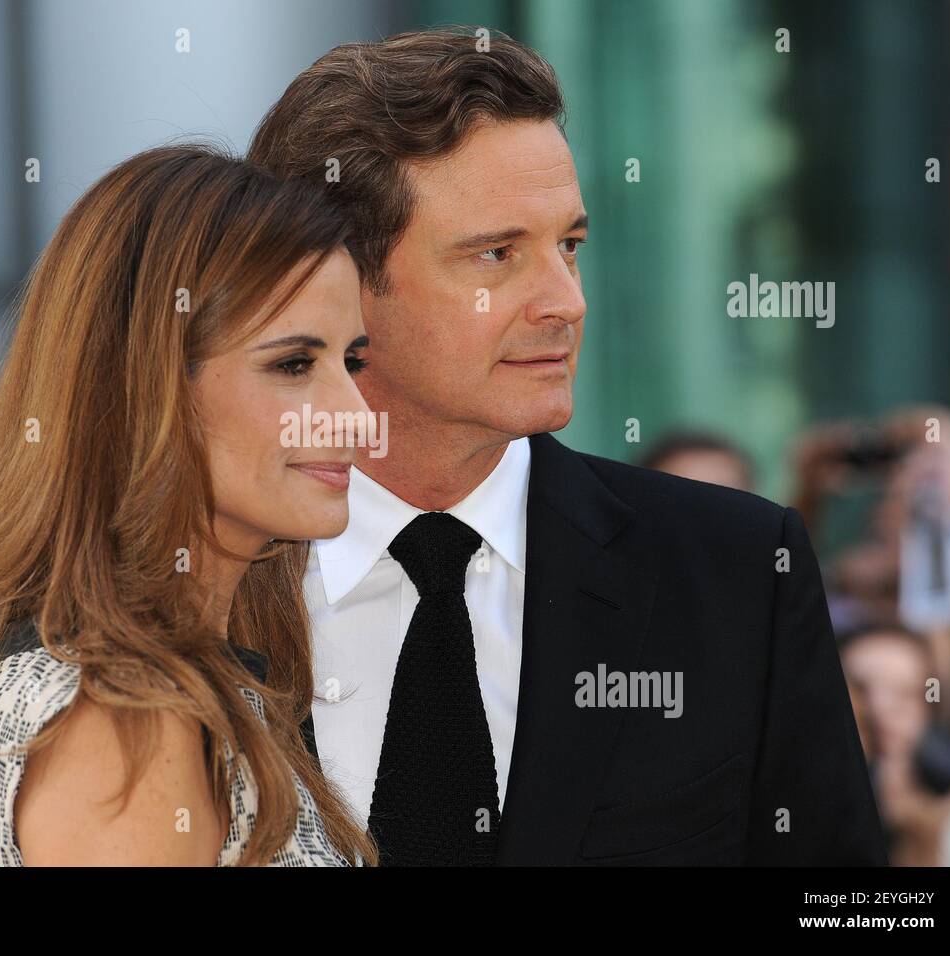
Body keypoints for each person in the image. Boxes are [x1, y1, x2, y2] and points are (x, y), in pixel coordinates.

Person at [247, 27, 886, 864]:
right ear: (334, 284)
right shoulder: (190, 585)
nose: (565, 301)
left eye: (570, 247)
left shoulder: (733, 572)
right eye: (497, 255)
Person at [0, 145, 377, 867]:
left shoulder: (145, 688)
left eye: (352, 361)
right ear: (148, 390)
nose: (355, 416)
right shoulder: (129, 720)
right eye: (294, 365)